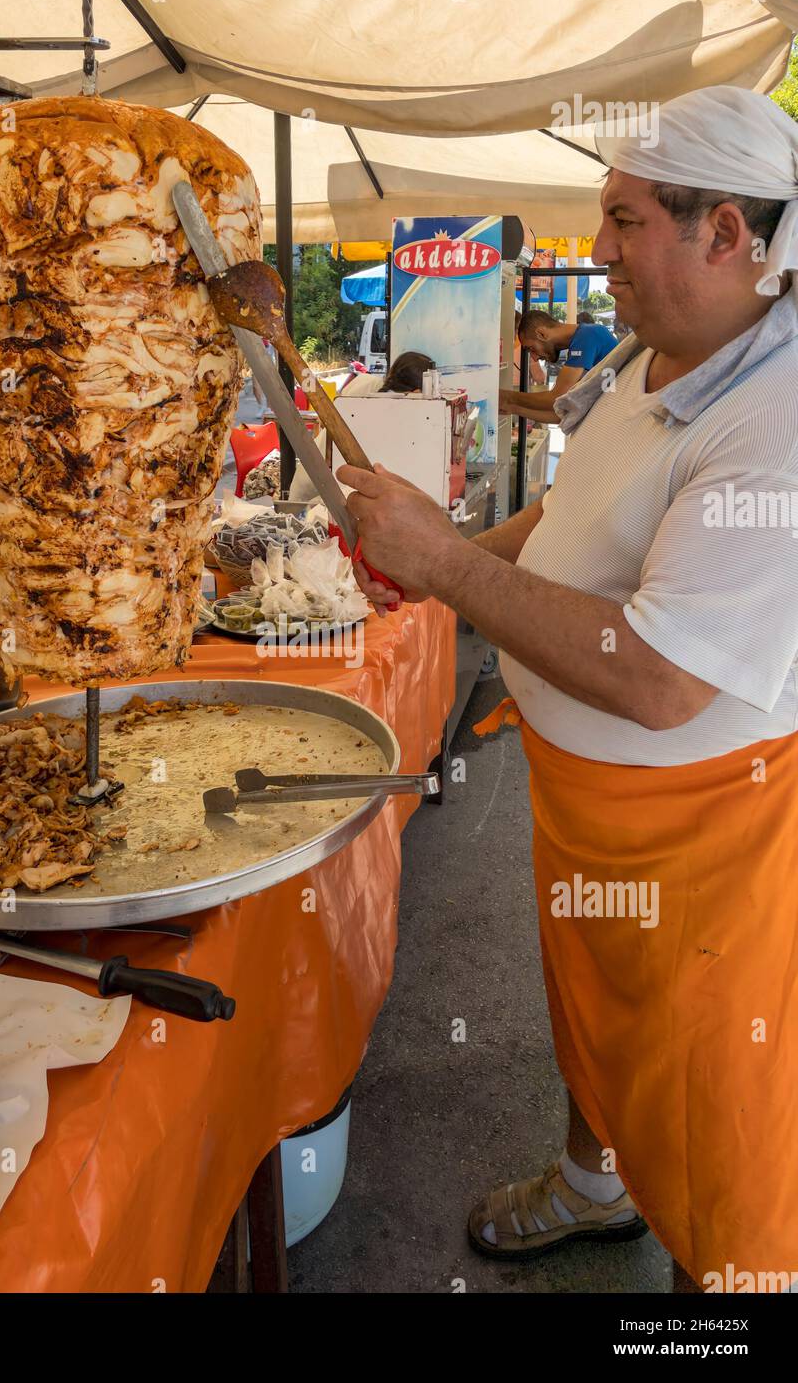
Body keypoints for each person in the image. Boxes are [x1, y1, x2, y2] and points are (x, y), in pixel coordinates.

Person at [338, 85, 798, 1294]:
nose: (596, 252)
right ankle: (596, 1183)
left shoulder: (778, 419)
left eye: (625, 219)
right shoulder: (666, 353)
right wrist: (437, 579)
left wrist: (438, 556)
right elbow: (568, 513)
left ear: (729, 233)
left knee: (716, 1099)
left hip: (708, 841)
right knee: (592, 1018)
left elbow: (660, 679)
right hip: (590, 807)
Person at [288, 351, 433, 503]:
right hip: (319, 489)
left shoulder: (368, 386)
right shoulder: (383, 410)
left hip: (318, 479)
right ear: (416, 392)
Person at [499, 309, 618, 423]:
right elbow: (563, 413)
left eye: (531, 348)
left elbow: (556, 398)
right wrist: (513, 408)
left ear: (541, 334)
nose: (534, 358)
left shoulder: (587, 335)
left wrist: (508, 397)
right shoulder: (581, 341)